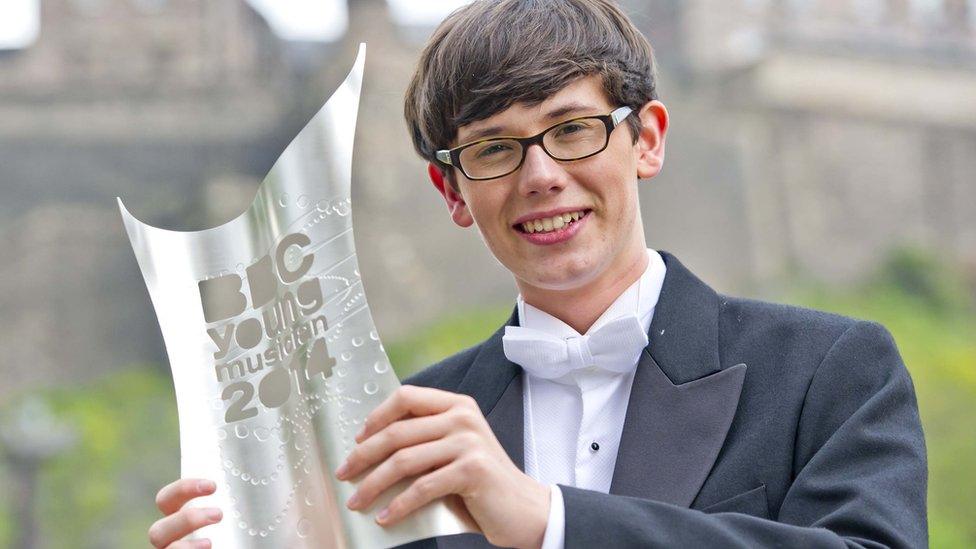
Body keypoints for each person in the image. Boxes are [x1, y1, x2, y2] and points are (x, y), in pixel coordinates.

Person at [149, 1, 928, 548]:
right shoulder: (398, 440)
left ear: (647, 140)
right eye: (494, 149)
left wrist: (550, 523)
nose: (542, 174)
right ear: (453, 192)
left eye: (573, 129)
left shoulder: (830, 369)